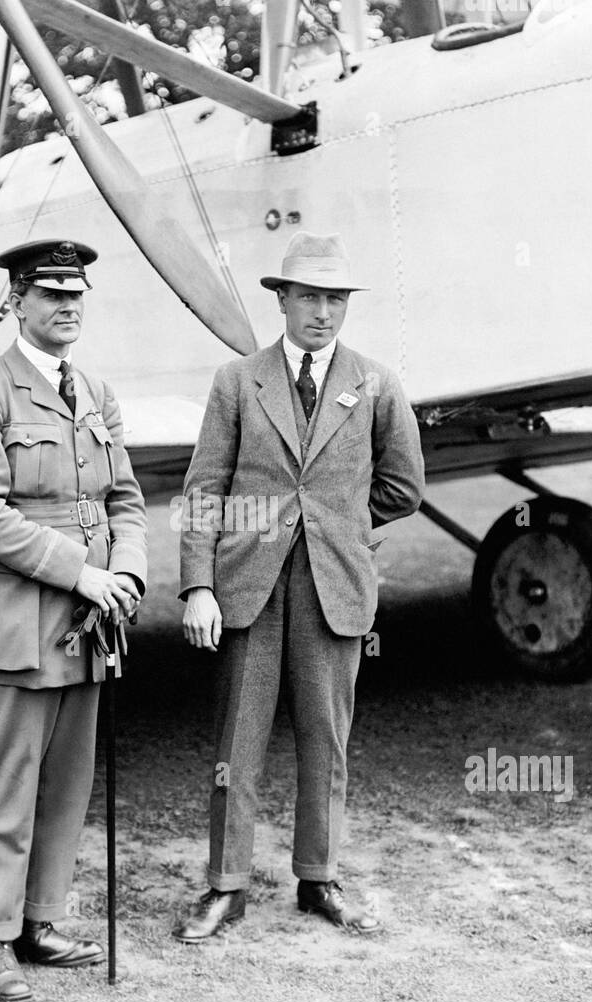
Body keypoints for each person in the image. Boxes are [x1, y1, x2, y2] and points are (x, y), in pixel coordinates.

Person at [173, 232, 425, 941]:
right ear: (281, 301)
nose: (322, 312)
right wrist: (199, 586)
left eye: (335, 299)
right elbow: (204, 492)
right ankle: (226, 887)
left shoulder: (376, 383)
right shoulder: (237, 381)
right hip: (247, 587)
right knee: (238, 744)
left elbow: (404, 487)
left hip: (333, 590)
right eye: (309, 297)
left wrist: (339, 525)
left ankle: (320, 880)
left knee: (327, 740)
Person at [0, 238, 147, 1002]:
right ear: (17, 301)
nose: (69, 305)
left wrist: (127, 572)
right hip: (18, 618)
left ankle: (41, 921)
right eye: (52, 292)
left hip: (89, 619)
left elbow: (124, 499)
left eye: (78, 293)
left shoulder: (94, 389)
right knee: (10, 785)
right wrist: (81, 572)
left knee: (67, 781)